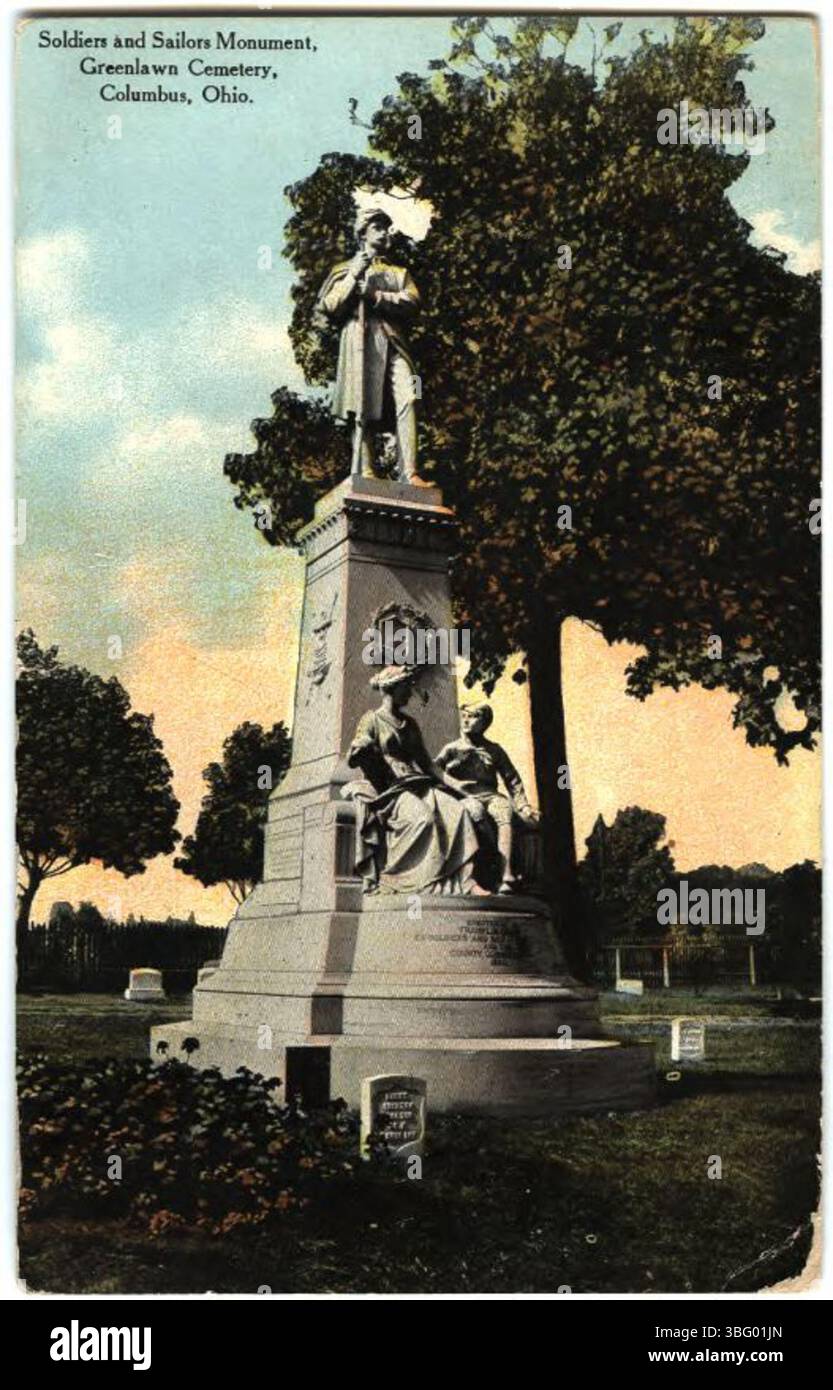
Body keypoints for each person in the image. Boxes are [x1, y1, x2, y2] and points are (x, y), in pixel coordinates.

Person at [343, 666, 488, 895]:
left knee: (458, 812)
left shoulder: (409, 724)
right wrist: (360, 749)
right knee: (423, 819)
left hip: (418, 783)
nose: (410, 693)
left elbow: (429, 765)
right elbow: (357, 752)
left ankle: (467, 881)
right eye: (406, 688)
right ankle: (404, 880)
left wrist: (459, 787)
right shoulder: (371, 720)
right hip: (390, 790)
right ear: (392, 689)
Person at [316, 206, 428, 484]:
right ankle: (365, 469)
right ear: (362, 233)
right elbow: (330, 306)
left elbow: (413, 302)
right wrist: (354, 275)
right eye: (377, 227)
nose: (383, 232)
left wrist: (376, 294)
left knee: (409, 398)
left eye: (385, 227)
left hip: (393, 342)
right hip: (358, 339)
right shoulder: (343, 269)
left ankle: (409, 471)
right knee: (360, 403)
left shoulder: (399, 273)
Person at [436, 704, 539, 894]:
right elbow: (434, 772)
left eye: (474, 716)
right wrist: (451, 774)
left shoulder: (494, 750)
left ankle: (506, 873)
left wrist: (523, 806)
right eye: (464, 715)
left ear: (484, 723)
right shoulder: (451, 749)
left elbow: (512, 779)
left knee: (505, 812)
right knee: (476, 812)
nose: (466, 720)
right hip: (464, 796)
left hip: (491, 794)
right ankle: (487, 865)